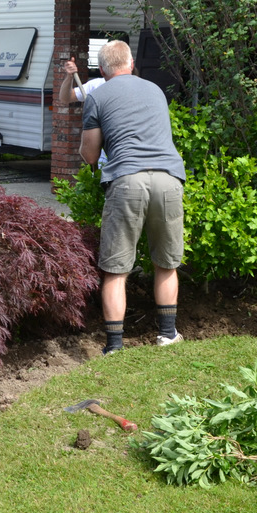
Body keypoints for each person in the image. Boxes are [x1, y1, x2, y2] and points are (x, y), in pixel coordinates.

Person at [79, 40, 185, 354]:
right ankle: (167, 335)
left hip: (127, 182)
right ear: (131, 63)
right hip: (169, 180)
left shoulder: (97, 97)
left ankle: (114, 346)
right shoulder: (155, 91)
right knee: (166, 264)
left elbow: (90, 154)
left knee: (116, 269)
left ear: (101, 70)